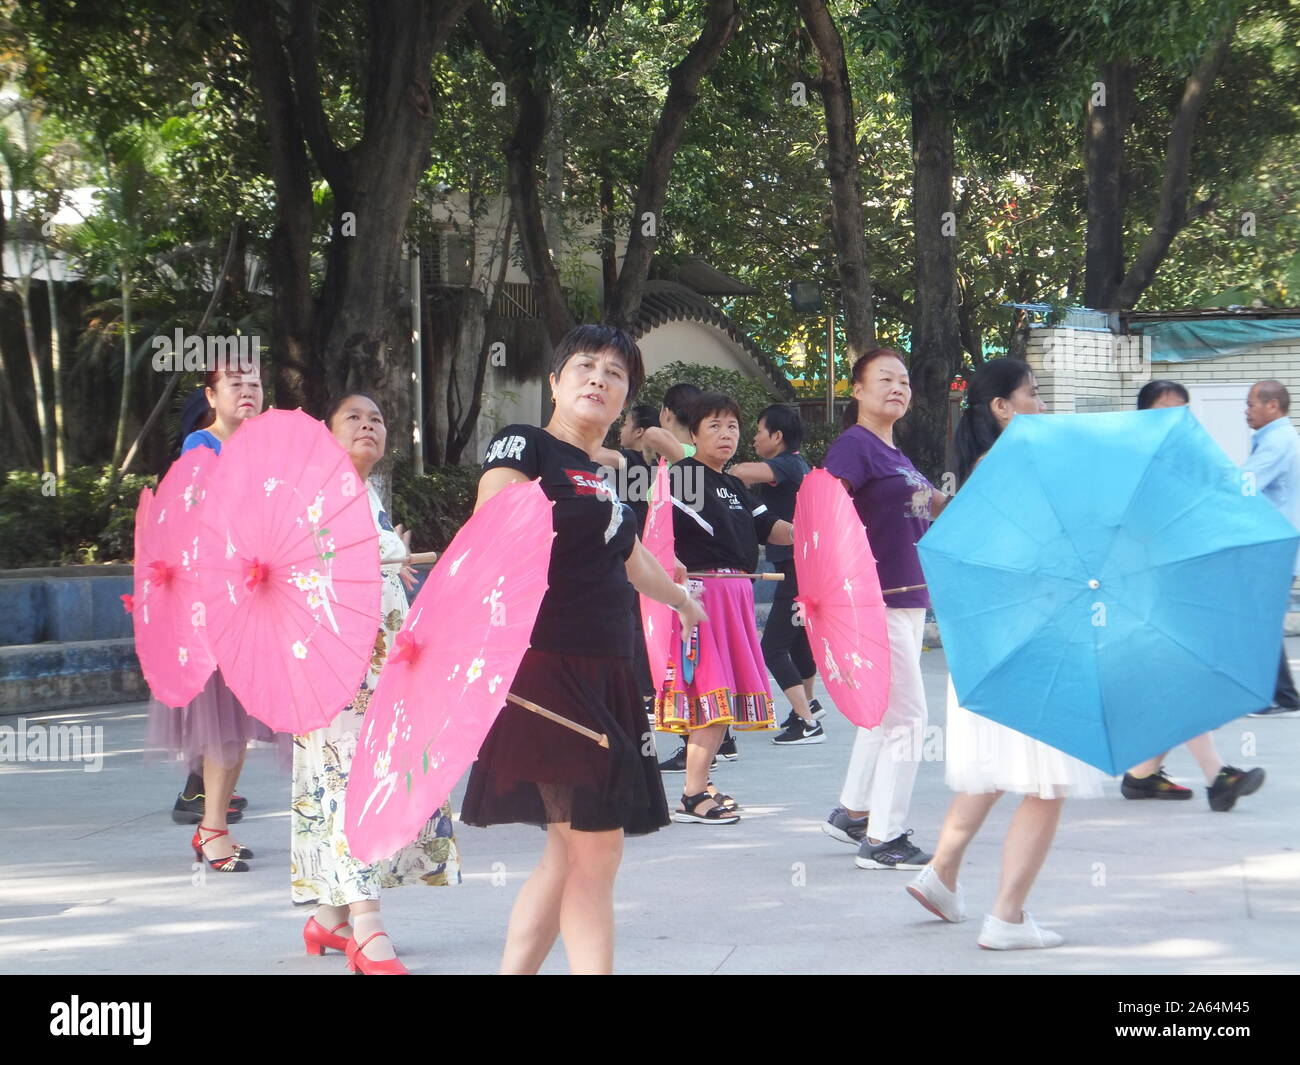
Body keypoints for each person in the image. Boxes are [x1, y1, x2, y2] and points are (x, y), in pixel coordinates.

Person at [459, 324, 707, 974]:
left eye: (615, 373)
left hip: (608, 672)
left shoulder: (601, 476)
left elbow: (631, 558)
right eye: (586, 366)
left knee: (571, 853)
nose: (599, 378)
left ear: (627, 397)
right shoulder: (527, 444)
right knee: (594, 851)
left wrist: (681, 601)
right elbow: (494, 521)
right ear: (556, 382)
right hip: (546, 668)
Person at [904, 358, 1104, 950]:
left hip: (989, 641)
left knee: (996, 769)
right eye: (1034, 395)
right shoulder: (1017, 465)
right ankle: (1007, 917)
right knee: (1047, 783)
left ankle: (941, 874)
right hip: (1034, 638)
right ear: (1003, 408)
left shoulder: (979, 470)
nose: (1042, 405)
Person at [291, 393, 461, 976]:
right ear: (326, 433)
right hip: (336, 673)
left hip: (387, 672)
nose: (368, 425)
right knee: (351, 788)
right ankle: (367, 925)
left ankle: (329, 918)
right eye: (353, 418)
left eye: (378, 419)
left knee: (362, 785)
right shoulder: (312, 500)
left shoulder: (370, 498)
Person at [819, 348, 948, 870]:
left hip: (907, 598)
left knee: (883, 713)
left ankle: (852, 813)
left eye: (903, 380)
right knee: (908, 719)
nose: (897, 387)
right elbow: (824, 513)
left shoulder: (896, 455)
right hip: (876, 602)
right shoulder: (855, 445)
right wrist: (837, 592)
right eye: (884, 379)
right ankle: (884, 839)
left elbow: (933, 506)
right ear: (858, 390)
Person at [147, 366, 279, 872]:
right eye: (235, 386)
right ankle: (212, 828)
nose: (247, 393)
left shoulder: (264, 446)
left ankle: (213, 824)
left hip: (255, 594)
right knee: (225, 720)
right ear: (212, 395)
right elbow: (201, 518)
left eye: (255, 386)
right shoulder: (202, 446)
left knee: (238, 720)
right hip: (216, 598)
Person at [1120, 381, 1267, 808]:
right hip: (1146, 592)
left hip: (1184, 585)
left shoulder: (1188, 465)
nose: (1177, 420)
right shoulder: (1132, 464)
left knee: (1177, 684)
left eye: (1183, 412)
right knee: (1183, 681)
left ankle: (1143, 774)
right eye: (1166, 411)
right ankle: (1217, 776)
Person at [654, 392, 794, 821]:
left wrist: (820, 530)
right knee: (710, 695)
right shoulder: (680, 479)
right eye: (714, 426)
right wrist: (676, 580)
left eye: (733, 426)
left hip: (736, 598)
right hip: (700, 598)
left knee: (722, 698)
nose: (726, 434)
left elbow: (772, 529)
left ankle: (702, 782)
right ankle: (692, 795)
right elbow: (655, 536)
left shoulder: (734, 483)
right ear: (693, 434)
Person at [166, 385, 249, 827]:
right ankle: (202, 801)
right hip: (208, 594)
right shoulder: (200, 449)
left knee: (229, 707)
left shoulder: (248, 449)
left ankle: (207, 796)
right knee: (216, 705)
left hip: (240, 592)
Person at [729, 403, 825, 745]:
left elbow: (741, 472)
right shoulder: (796, 465)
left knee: (771, 648)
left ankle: (808, 721)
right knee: (798, 644)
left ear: (778, 436)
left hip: (795, 571)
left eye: (757, 431)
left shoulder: (787, 464)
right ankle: (809, 705)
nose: (753, 438)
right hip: (801, 568)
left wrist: (710, 474)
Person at [1242, 379, 1300, 719]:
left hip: (1273, 548)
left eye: (1251, 404)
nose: (1246, 411)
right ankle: (1282, 695)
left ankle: (1278, 697)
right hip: (1277, 546)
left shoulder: (1277, 442)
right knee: (1261, 619)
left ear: (1272, 406)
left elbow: (1243, 484)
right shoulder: (1279, 439)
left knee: (1260, 620)